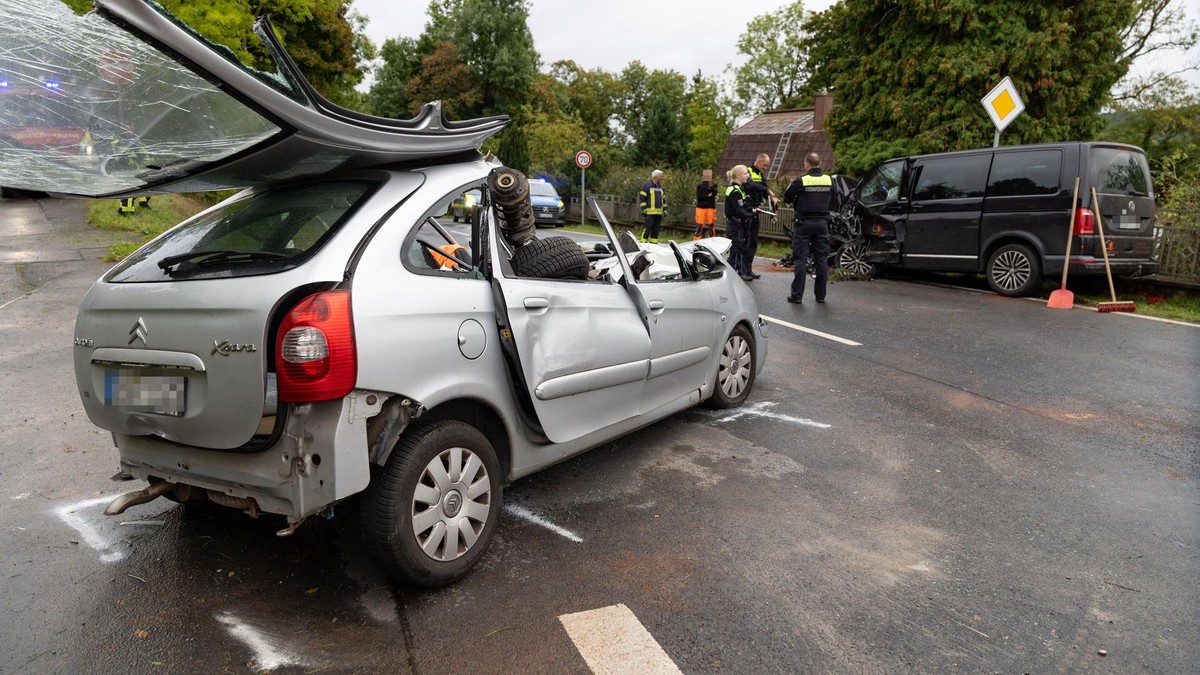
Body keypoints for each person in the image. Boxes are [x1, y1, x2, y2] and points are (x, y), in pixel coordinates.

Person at [783, 152, 833, 304]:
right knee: (821, 259)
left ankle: (797, 296)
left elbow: (786, 197)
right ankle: (821, 296)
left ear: (806, 165)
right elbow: (835, 198)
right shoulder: (829, 180)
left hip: (804, 223)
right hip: (822, 224)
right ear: (820, 163)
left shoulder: (801, 181)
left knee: (801, 259)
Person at [741, 153, 777, 278]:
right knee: (746, 241)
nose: (766, 168)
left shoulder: (760, 175)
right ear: (759, 161)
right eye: (765, 165)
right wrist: (766, 190)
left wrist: (772, 198)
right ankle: (742, 270)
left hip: (756, 210)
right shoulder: (747, 171)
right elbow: (749, 185)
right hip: (746, 211)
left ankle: (748, 269)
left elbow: (765, 189)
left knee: (753, 242)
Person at [724, 165, 757, 281]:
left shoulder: (739, 189)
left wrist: (751, 210)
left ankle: (736, 271)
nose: (747, 175)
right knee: (737, 248)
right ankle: (733, 273)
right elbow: (739, 211)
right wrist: (751, 215)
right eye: (745, 173)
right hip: (735, 224)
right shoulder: (734, 191)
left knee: (738, 248)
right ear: (738, 175)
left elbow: (743, 207)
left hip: (738, 223)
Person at [638, 169, 666, 243]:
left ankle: (653, 243)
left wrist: (665, 209)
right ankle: (643, 242)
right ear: (655, 177)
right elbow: (642, 198)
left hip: (659, 213)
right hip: (649, 212)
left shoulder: (661, 187)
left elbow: (663, 199)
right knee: (648, 228)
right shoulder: (647, 186)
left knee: (656, 229)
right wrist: (643, 208)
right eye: (660, 176)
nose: (661, 178)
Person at [694, 169, 718, 239]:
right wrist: (707, 195)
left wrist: (711, 185)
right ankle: (696, 240)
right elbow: (699, 196)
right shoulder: (700, 186)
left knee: (711, 225)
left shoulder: (713, 185)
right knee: (699, 224)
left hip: (710, 207)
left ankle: (711, 239)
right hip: (701, 208)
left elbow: (713, 194)